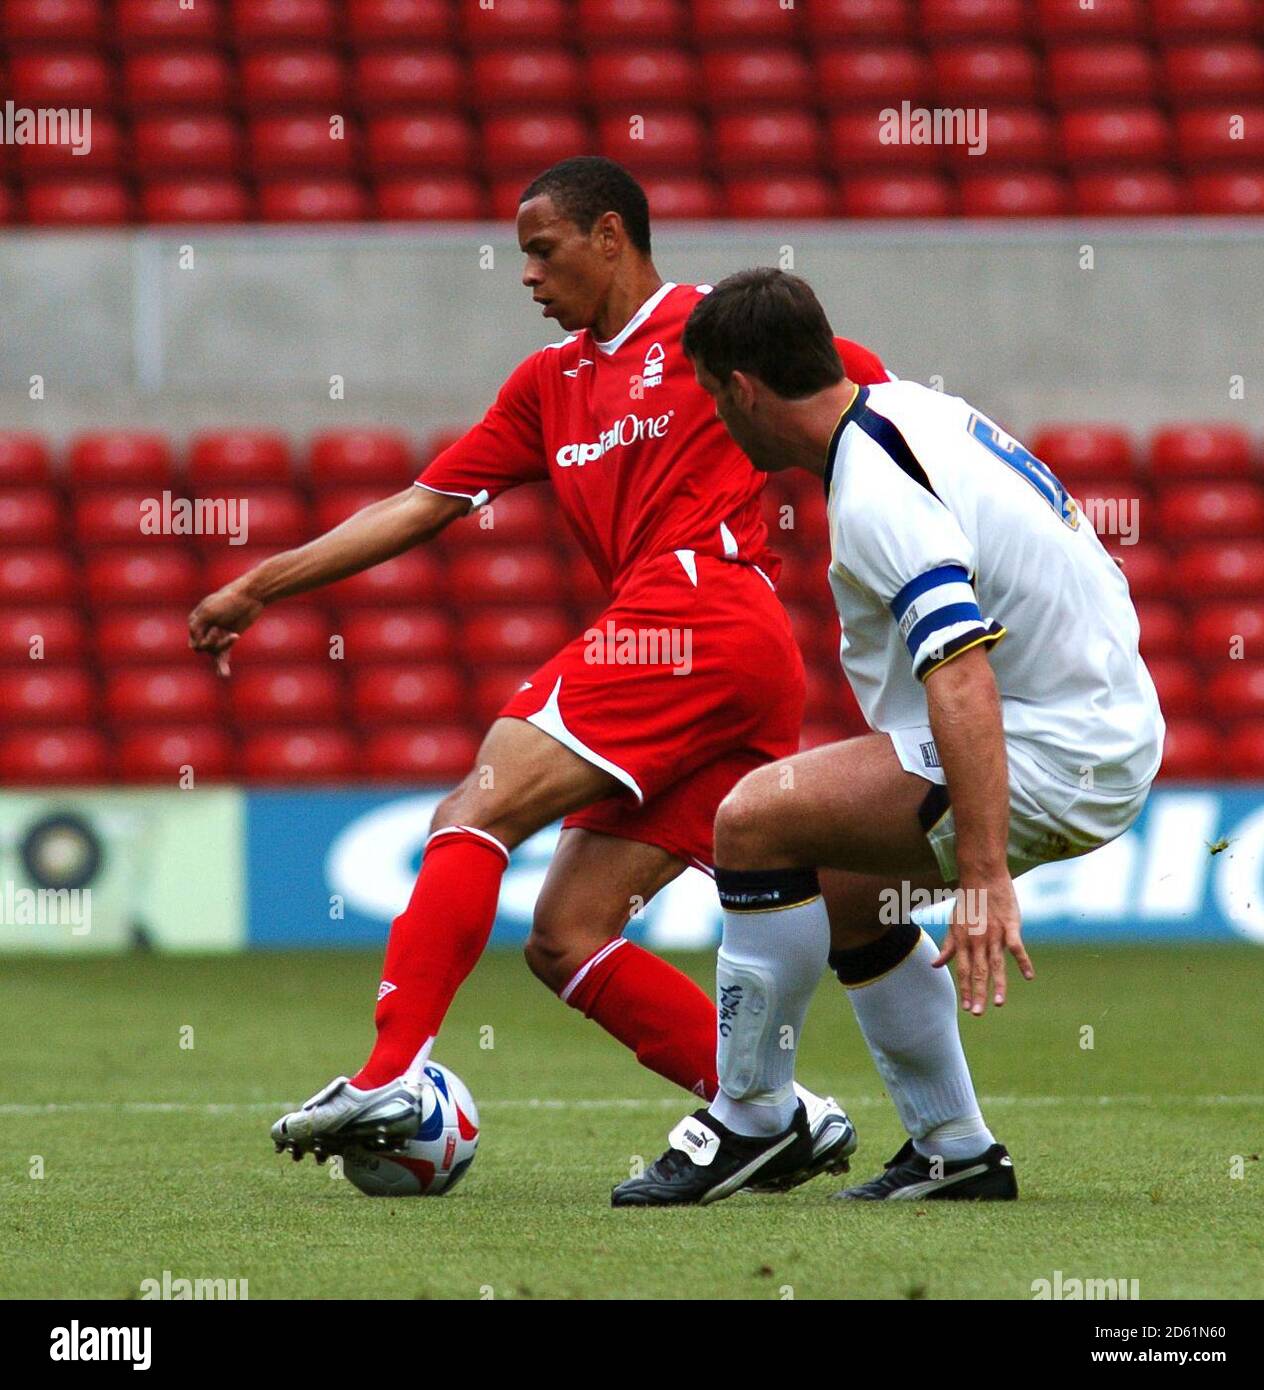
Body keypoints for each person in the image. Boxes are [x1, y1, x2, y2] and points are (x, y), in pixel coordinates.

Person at [188, 161, 889, 1181]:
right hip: (722, 657)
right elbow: (422, 503)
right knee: (566, 935)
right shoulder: (546, 384)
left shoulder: (712, 327)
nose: (525, 273)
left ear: (611, 235)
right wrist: (265, 584)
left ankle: (391, 1069)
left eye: (541, 248)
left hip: (696, 608)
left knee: (474, 808)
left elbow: (864, 392)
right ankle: (775, 1112)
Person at [612, 268, 1164, 1206]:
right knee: (848, 892)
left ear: (741, 388)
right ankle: (955, 1150)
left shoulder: (876, 493)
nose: (716, 420)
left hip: (1054, 743)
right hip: (1101, 722)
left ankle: (752, 1117)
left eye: (712, 396)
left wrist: (984, 876)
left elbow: (960, 671)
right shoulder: (909, 409)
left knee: (754, 821)